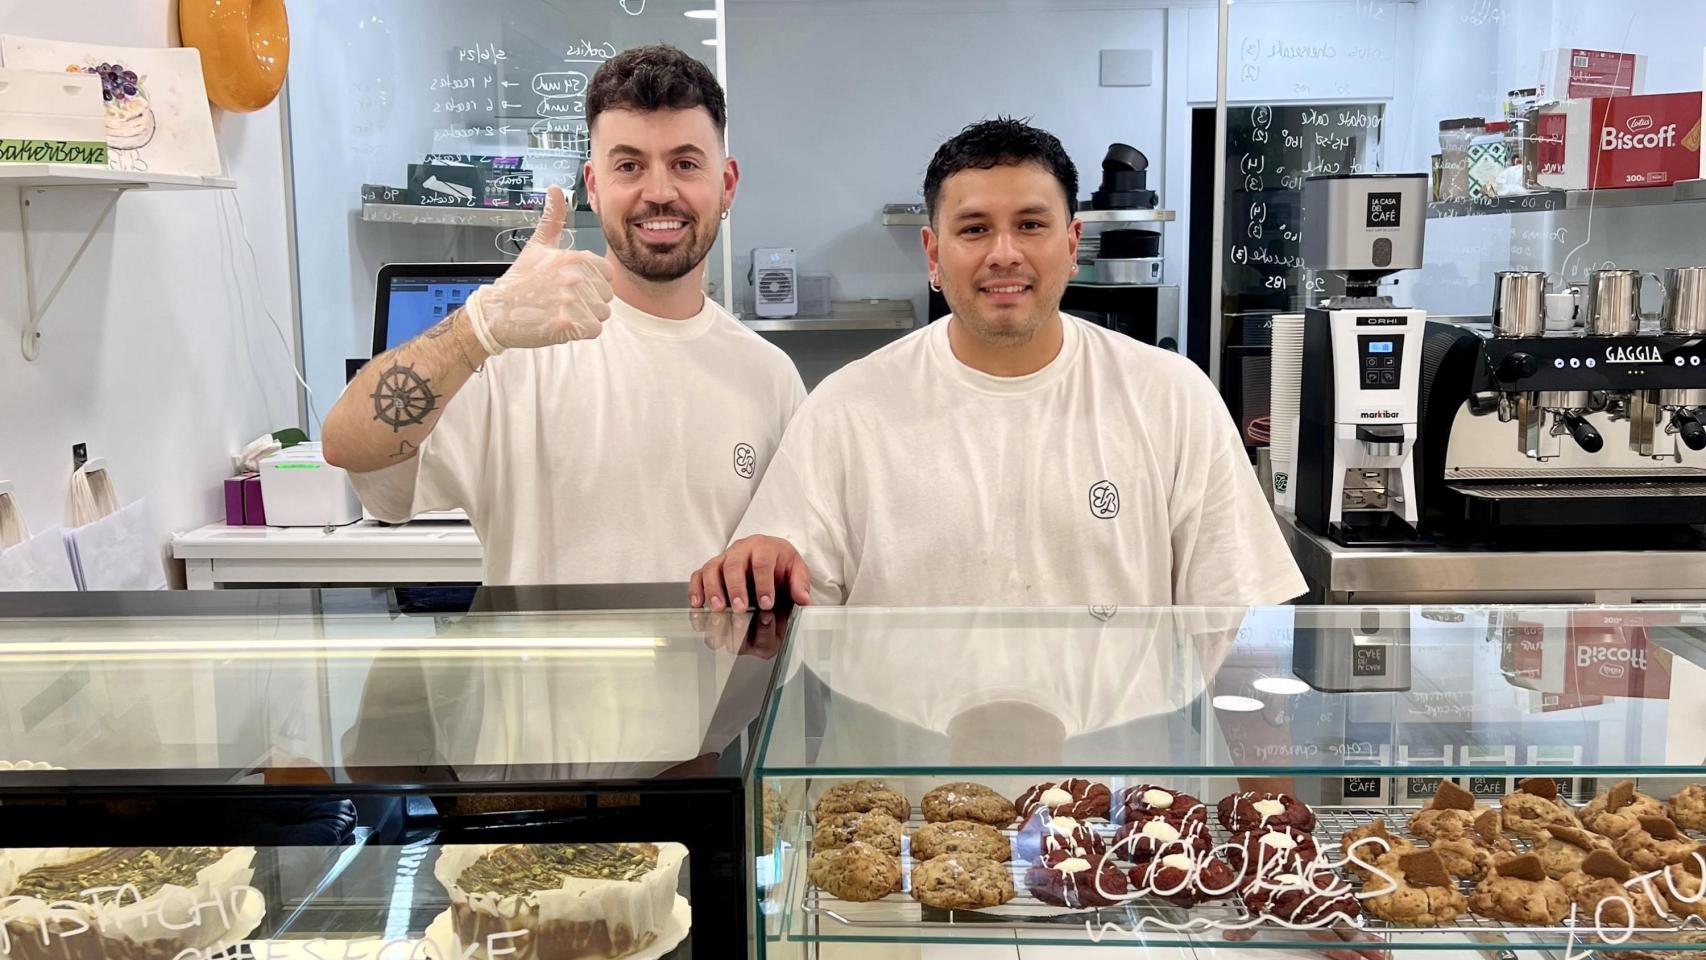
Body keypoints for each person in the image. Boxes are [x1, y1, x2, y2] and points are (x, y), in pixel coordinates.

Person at [690, 117, 1304, 611]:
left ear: (1071, 245)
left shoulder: (1172, 399)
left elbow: (1240, 622)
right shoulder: (848, 409)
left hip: (1114, 763)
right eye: (974, 229)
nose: (1003, 254)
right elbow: (784, 590)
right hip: (901, 762)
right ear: (933, 254)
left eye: (1031, 225)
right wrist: (759, 563)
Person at [324, 45, 805, 585]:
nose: (659, 192)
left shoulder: (771, 378)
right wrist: (475, 329)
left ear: (727, 185)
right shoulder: (511, 355)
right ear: (594, 188)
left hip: (714, 672)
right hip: (545, 671)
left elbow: (795, 557)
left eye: (686, 164)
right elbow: (348, 447)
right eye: (628, 166)